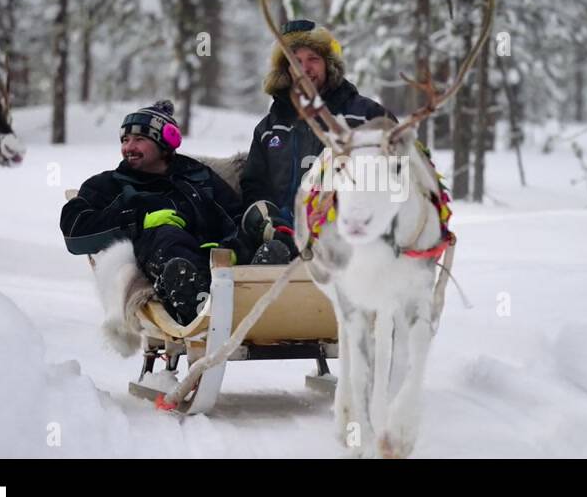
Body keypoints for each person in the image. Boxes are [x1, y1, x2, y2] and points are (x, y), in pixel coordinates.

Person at [60, 101, 245, 324]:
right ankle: (196, 300)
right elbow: (75, 231)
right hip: (166, 264)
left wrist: (231, 248)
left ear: (166, 143)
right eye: (125, 140)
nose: (129, 147)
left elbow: (235, 217)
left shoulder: (199, 177)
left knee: (258, 227)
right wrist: (138, 220)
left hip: (217, 259)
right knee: (167, 234)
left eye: (139, 139)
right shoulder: (108, 185)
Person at [240, 19, 394, 263]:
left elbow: (399, 177)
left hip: (351, 241)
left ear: (328, 64)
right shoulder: (269, 128)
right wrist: (274, 227)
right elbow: (254, 187)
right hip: (283, 240)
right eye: (295, 61)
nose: (304, 68)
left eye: (313, 59)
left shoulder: (367, 116)